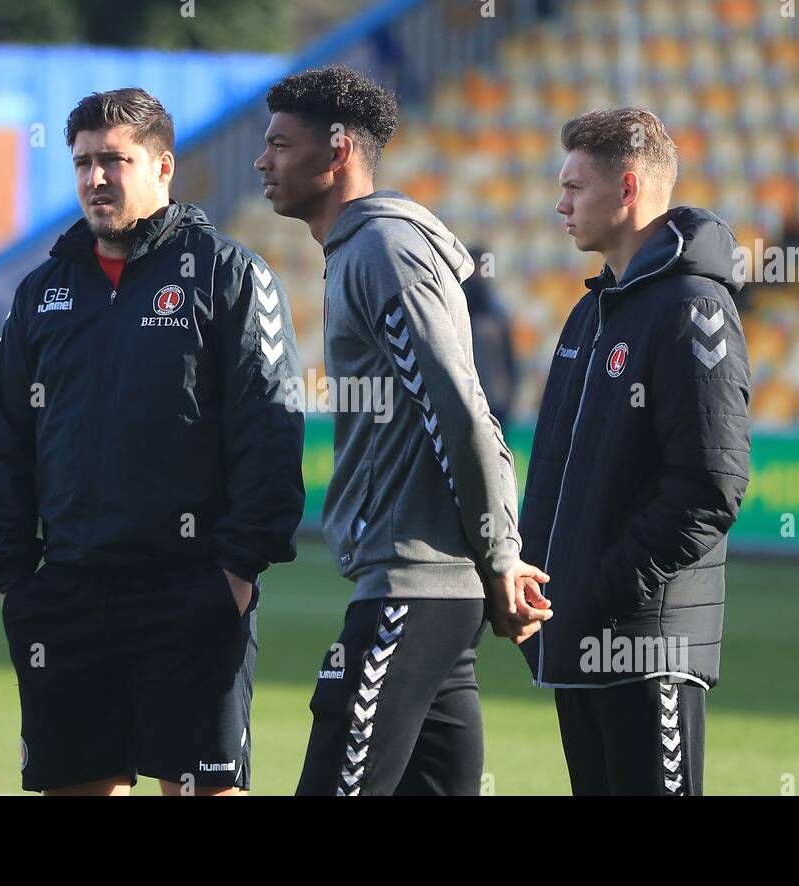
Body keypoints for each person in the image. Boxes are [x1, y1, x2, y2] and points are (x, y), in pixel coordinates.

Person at [0, 87, 305, 796]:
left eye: (114, 160)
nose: (96, 178)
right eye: (83, 163)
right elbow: (5, 438)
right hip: (63, 594)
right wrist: (13, 580)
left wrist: (235, 576)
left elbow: (270, 431)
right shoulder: (43, 291)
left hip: (190, 592)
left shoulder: (229, 276)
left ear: (162, 167)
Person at [254, 65, 551, 796]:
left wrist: (502, 553)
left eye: (282, 144)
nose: (263, 160)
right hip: (427, 594)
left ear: (338, 152)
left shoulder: (384, 251)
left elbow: (456, 405)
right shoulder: (356, 251)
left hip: (411, 590)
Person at [519, 107, 751, 795]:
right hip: (579, 643)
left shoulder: (692, 307)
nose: (558, 204)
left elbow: (710, 485)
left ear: (626, 189)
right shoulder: (592, 312)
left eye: (574, 187)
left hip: (647, 649)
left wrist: (603, 588)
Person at [461, 245, 519, 432]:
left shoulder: (496, 310)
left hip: (494, 397)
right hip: (469, 394)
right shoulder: (458, 306)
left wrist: (511, 389)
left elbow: (509, 355)